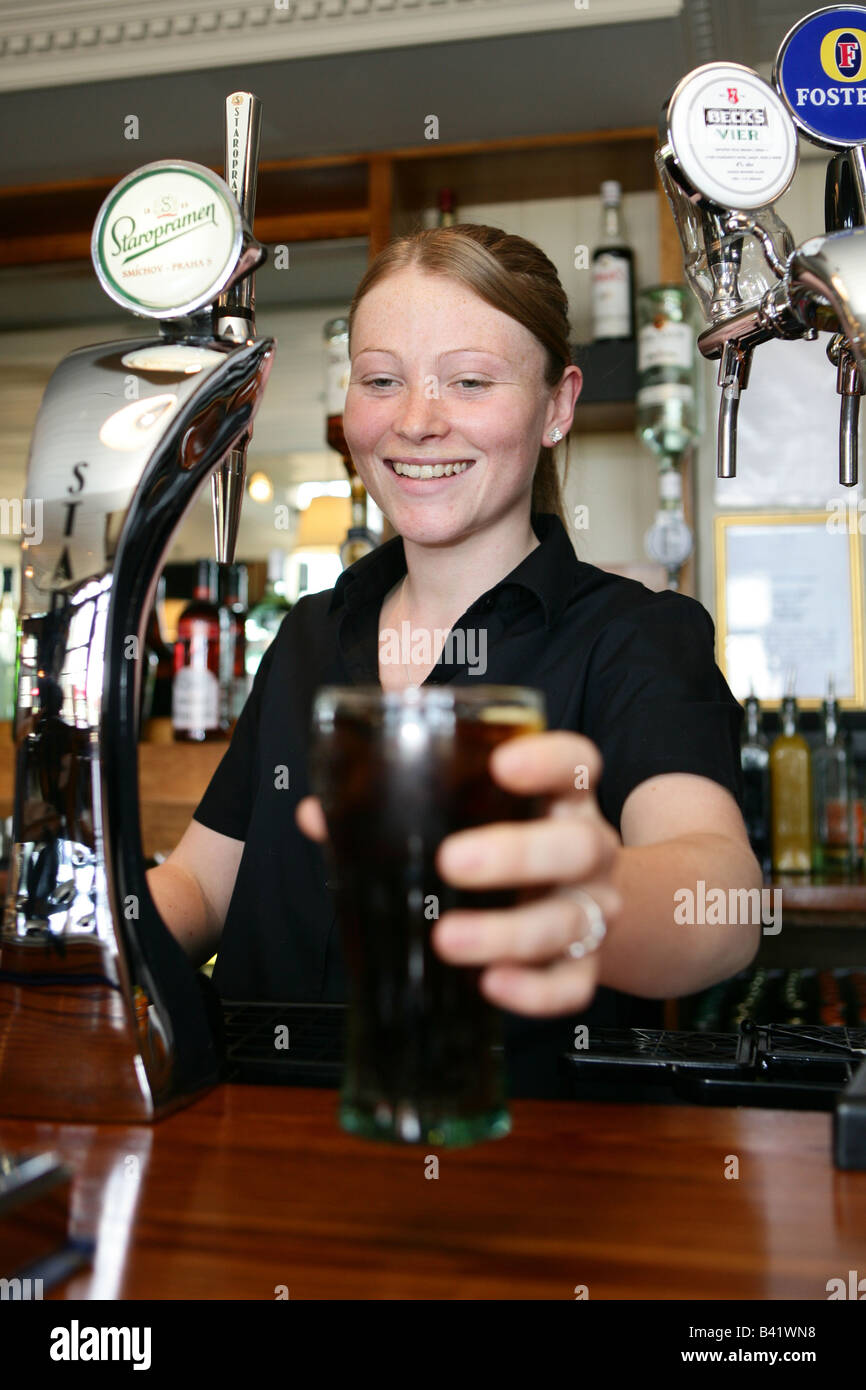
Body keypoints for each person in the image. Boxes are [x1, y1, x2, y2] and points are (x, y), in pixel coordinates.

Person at [147, 223, 762, 1098]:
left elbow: (723, 900)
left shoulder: (636, 637)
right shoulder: (311, 635)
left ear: (557, 405)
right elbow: (201, 889)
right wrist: (89, 935)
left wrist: (584, 899)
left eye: (470, 381)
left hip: (518, 1172)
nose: (416, 420)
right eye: (381, 380)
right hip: (254, 1156)